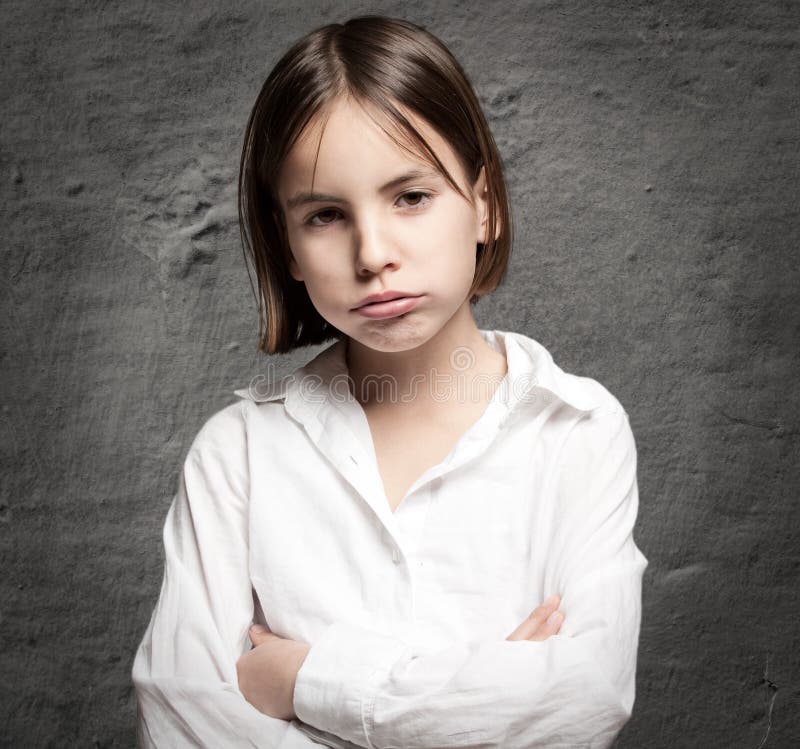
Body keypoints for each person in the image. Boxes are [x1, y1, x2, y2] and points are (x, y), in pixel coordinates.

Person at [131, 15, 648, 749]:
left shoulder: (577, 430)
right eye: (326, 215)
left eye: (410, 196)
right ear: (289, 249)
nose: (373, 253)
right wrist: (484, 693)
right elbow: (181, 722)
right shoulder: (236, 456)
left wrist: (304, 679)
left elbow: (582, 700)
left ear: (485, 204)